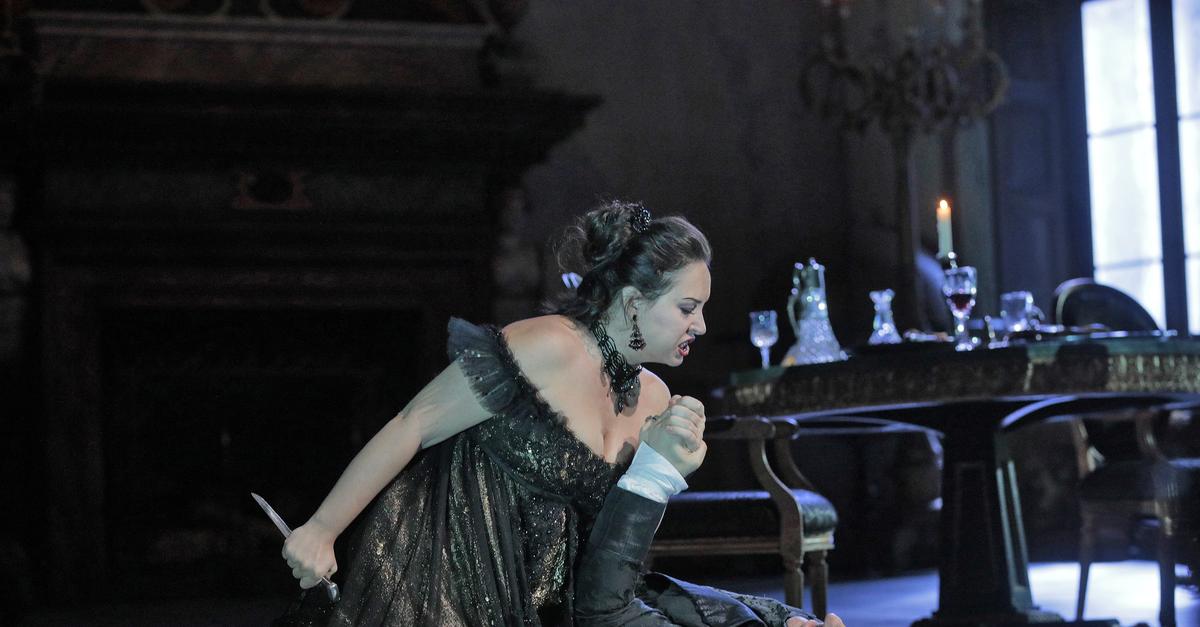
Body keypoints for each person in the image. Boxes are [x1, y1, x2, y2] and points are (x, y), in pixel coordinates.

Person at [276, 201, 838, 626]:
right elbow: (413, 424)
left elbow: (614, 569)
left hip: (556, 607)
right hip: (446, 586)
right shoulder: (546, 346)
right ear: (633, 302)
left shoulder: (655, 400)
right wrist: (322, 528)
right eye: (688, 307)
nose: (702, 325)